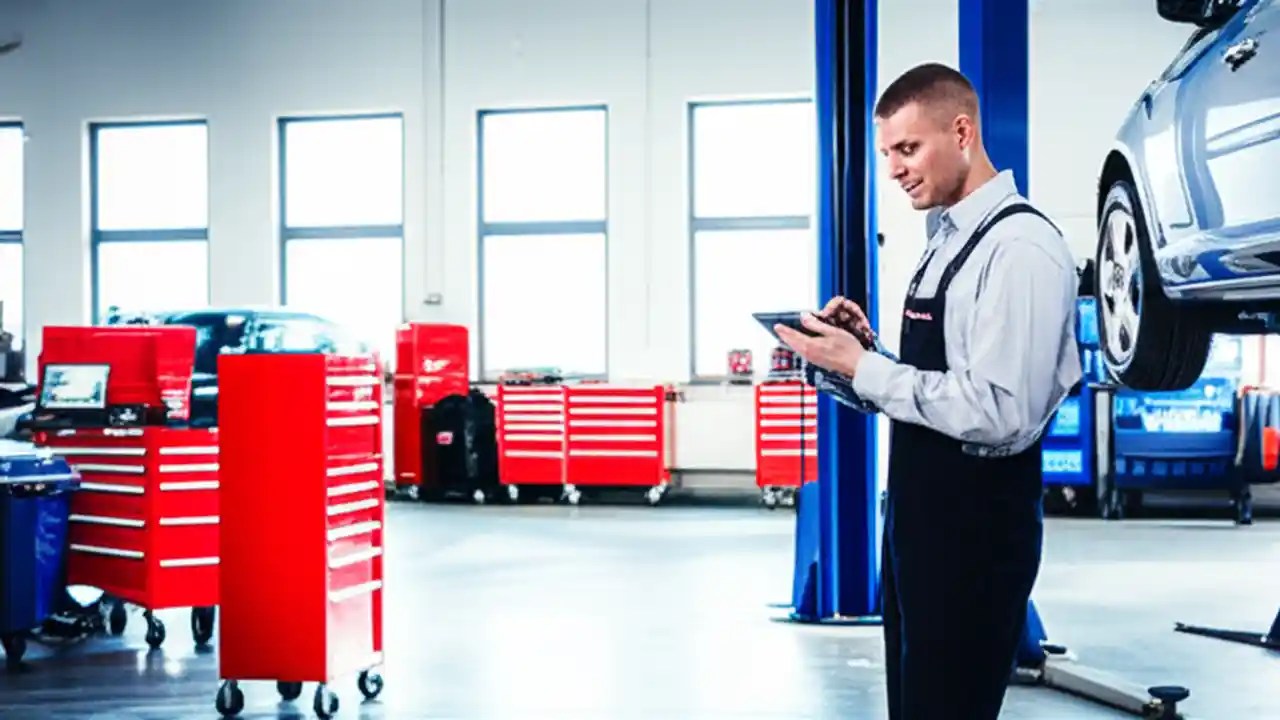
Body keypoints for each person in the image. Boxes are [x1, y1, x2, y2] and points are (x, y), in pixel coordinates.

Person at [775, 62, 1082, 720]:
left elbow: (999, 412)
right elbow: (936, 389)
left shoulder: (1021, 248)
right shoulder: (946, 242)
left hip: (975, 535)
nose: (894, 170)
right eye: (888, 153)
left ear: (962, 131)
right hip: (921, 525)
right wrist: (855, 357)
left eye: (908, 149)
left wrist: (869, 370)